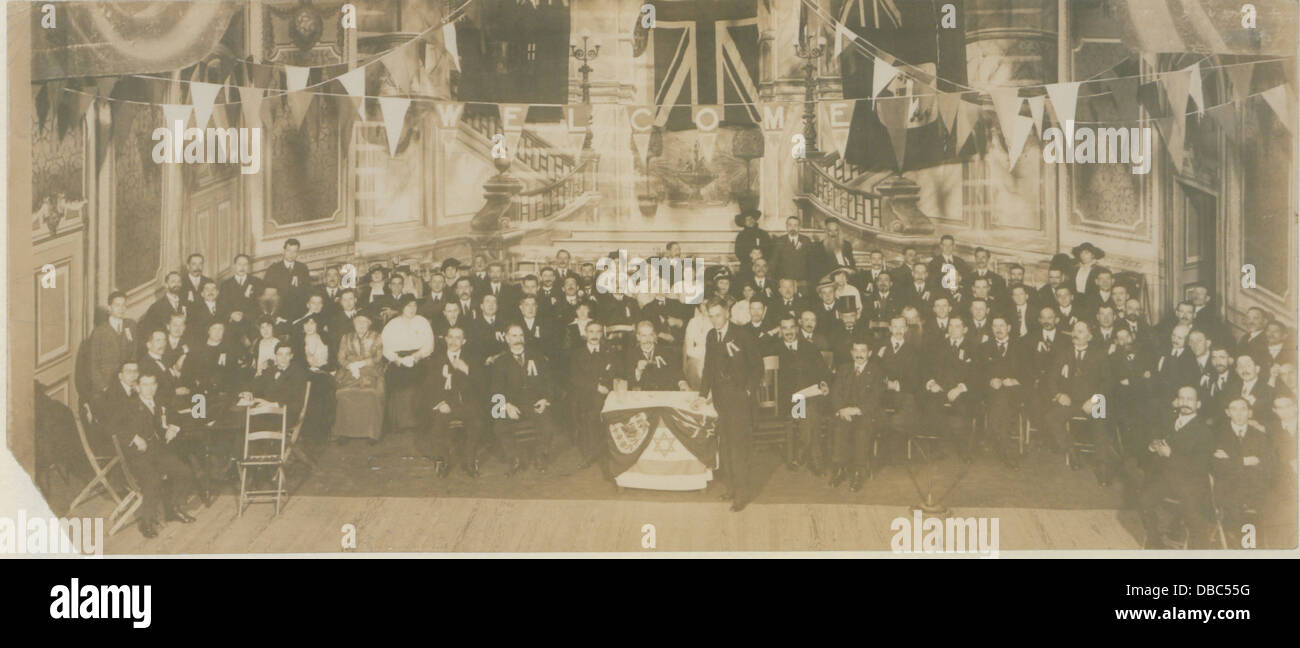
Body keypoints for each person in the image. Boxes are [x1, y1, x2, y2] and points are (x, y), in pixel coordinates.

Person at [695, 299, 762, 512]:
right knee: (725, 446)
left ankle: (741, 495)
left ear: (727, 314)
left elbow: (757, 367)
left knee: (738, 448)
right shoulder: (711, 336)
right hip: (721, 399)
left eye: (718, 314)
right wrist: (703, 394)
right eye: (711, 316)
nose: (715, 319)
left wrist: (748, 390)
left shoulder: (742, 334)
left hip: (740, 398)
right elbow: (708, 368)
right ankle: (731, 488)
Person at [114, 372, 200, 538]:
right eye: (145, 384)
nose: (150, 388)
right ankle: (146, 522)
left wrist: (173, 427)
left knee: (185, 472)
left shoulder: (161, 402)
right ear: (137, 387)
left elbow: (175, 416)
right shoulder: (129, 406)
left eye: (153, 384)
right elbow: (114, 426)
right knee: (152, 481)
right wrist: (134, 437)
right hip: (138, 456)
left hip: (158, 452)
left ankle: (173, 508)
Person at [1139, 386, 1213, 549]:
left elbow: (1200, 466)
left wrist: (1170, 455)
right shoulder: (1168, 422)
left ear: (1198, 404)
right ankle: (1155, 542)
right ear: (1177, 402)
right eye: (1182, 399)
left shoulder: (1204, 430)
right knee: (1144, 500)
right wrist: (1152, 448)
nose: (1185, 403)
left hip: (1191, 483)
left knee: (1194, 517)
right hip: (1166, 479)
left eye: (1190, 399)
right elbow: (1152, 455)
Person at [489, 324, 560, 475]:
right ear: (507, 339)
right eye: (514, 336)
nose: (518, 339)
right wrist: (506, 405)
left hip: (534, 402)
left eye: (521, 335)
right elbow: (495, 389)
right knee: (498, 425)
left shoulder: (538, 357)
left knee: (548, 426)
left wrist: (545, 399)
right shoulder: (500, 362)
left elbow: (550, 381)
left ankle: (540, 455)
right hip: (512, 404)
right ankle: (513, 457)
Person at [1210, 397, 1273, 548]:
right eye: (1234, 409)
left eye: (1243, 409)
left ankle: (1250, 546)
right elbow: (1216, 467)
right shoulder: (1217, 436)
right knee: (1238, 513)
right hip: (1228, 489)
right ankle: (1240, 545)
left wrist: (1230, 461)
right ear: (1227, 413)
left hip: (1254, 488)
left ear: (1250, 413)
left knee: (1263, 512)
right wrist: (1245, 461)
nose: (1239, 414)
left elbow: (1266, 465)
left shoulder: (1260, 436)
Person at [773, 315, 831, 474]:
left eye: (791, 327)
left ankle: (804, 452)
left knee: (811, 407)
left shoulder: (809, 347)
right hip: (790, 400)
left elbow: (823, 371)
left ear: (797, 329)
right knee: (809, 410)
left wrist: (824, 383)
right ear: (780, 330)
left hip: (812, 395)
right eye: (785, 328)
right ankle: (814, 457)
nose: (789, 332)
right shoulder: (775, 349)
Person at [427, 326, 487, 477]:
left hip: (467, 404)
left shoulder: (473, 358)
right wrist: (440, 403)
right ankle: (443, 460)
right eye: (451, 337)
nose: (454, 341)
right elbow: (428, 386)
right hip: (445, 405)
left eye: (458, 338)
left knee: (477, 424)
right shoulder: (436, 360)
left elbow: (483, 384)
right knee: (436, 427)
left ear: (464, 341)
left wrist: (466, 369)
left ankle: (469, 461)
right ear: (446, 339)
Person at [830, 340, 883, 490]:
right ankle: (840, 469)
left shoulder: (876, 371)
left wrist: (857, 410)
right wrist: (841, 409)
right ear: (851, 353)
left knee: (861, 431)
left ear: (869, 353)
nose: (859, 354)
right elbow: (835, 392)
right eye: (856, 351)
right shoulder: (844, 369)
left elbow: (876, 397)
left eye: (863, 351)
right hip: (845, 412)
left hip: (866, 414)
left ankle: (859, 473)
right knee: (839, 429)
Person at [380, 295, 435, 436]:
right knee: (395, 379)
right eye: (408, 306)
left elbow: (429, 345)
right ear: (402, 307)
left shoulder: (422, 322)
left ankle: (419, 421)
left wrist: (417, 357)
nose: (412, 309)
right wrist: (396, 359)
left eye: (414, 306)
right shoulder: (392, 324)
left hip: (418, 358)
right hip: (398, 359)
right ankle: (399, 422)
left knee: (422, 378)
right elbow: (384, 347)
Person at [568, 321, 617, 473]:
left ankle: (612, 451)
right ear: (585, 334)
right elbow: (574, 377)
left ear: (602, 334)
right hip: (584, 393)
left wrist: (608, 387)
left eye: (598, 332)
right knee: (592, 413)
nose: (594, 336)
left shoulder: (609, 351)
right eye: (591, 332)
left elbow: (616, 372)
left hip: (608, 392)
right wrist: (595, 387)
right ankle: (591, 453)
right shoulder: (576, 353)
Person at [333, 312, 385, 442]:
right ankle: (344, 432)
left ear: (369, 323)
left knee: (370, 394)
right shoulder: (346, 337)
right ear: (353, 324)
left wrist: (363, 363)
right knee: (343, 394)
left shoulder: (377, 337)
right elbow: (340, 358)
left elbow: (378, 357)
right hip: (350, 372)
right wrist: (351, 365)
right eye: (358, 322)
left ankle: (371, 433)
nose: (361, 325)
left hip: (370, 371)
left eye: (364, 322)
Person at [87, 291, 138, 394]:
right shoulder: (99, 331)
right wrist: (104, 387)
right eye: (117, 305)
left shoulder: (131, 326)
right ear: (109, 308)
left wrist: (133, 380)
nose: (121, 309)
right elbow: (93, 365)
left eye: (124, 305)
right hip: (107, 386)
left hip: (128, 383)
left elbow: (134, 354)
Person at [619, 320, 689, 391]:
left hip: (663, 395)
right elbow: (627, 381)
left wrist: (682, 383)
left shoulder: (667, 352)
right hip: (642, 397)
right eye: (644, 336)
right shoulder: (630, 355)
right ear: (638, 337)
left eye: (651, 335)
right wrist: (638, 371)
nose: (647, 339)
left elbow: (677, 371)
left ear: (655, 336)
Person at [263, 238, 313, 320]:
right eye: (289, 250)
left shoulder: (303, 268)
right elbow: (268, 295)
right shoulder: (273, 269)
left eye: (295, 251)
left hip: (299, 313)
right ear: (284, 251)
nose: (291, 254)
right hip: (279, 314)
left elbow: (307, 291)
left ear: (298, 253)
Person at [769, 216, 814, 293]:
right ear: (786, 226)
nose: (792, 228)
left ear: (799, 227)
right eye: (790, 225)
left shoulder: (806, 241)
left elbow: (811, 263)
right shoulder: (780, 241)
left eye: (795, 225)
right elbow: (774, 263)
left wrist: (809, 282)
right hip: (785, 284)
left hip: (802, 284)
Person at [733, 209, 770, 276]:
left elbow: (769, 249)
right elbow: (738, 252)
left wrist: (761, 256)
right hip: (747, 266)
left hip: (762, 265)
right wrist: (750, 257)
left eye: (752, 218)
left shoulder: (763, 234)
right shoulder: (741, 236)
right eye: (748, 219)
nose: (751, 221)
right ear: (744, 222)